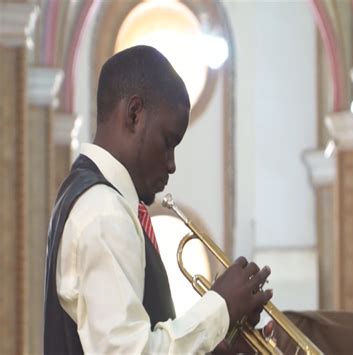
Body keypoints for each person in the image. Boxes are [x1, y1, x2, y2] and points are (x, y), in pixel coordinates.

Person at [44, 45, 273, 354]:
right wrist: (220, 306)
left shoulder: (88, 195)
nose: (171, 164)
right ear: (134, 114)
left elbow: (140, 339)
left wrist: (222, 344)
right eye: (168, 142)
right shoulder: (104, 212)